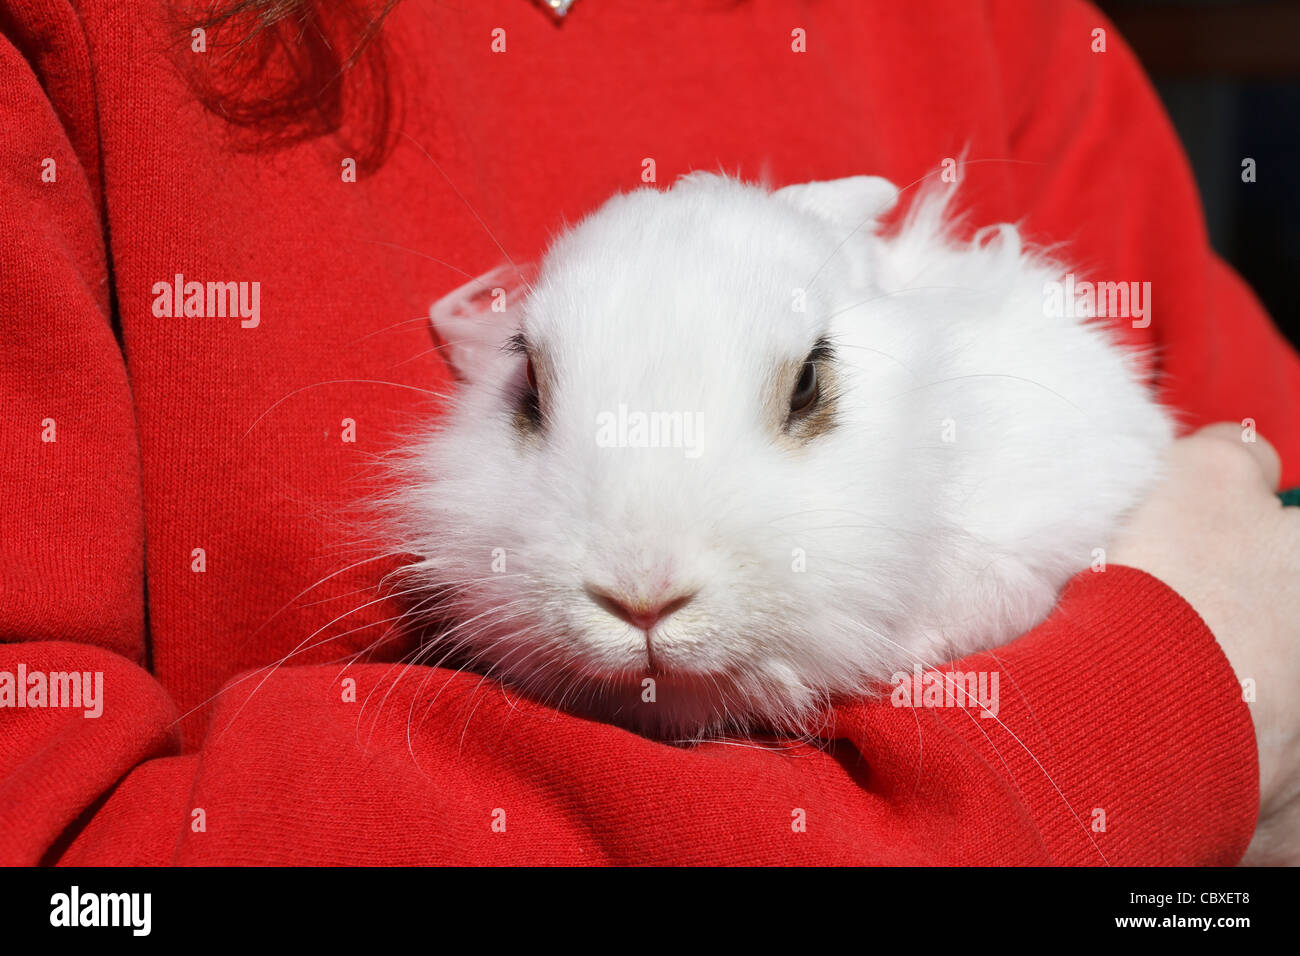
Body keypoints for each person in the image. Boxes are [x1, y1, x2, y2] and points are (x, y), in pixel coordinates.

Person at [1, 0, 1297, 864]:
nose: (646, 589)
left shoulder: (992, 36)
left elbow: (1258, 522)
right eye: (535, 406)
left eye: (799, 399)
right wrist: (1145, 727)